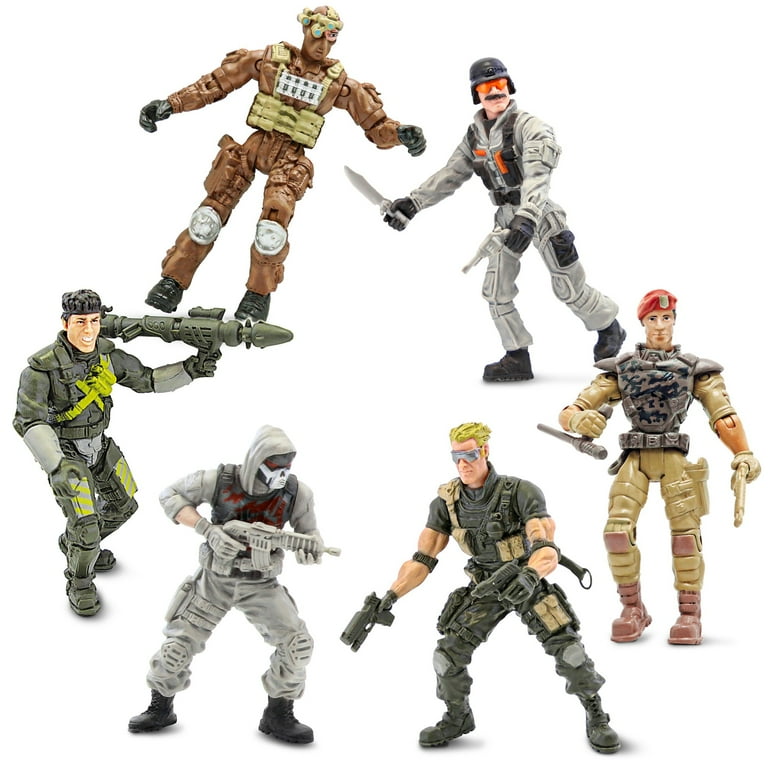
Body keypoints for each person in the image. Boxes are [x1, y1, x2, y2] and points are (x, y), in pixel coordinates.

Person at [344, 423, 621, 753]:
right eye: (456, 457)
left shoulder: (520, 491)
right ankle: (457, 716)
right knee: (446, 656)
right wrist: (391, 596)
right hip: (485, 587)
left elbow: (546, 547)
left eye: (470, 455)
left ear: (485, 452)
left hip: (525, 579)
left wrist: (530, 575)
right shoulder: (446, 503)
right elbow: (422, 558)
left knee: (569, 649)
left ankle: (596, 713)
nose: (463, 464)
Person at [140, 6, 425, 322]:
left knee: (272, 229)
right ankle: (172, 281)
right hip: (253, 147)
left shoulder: (338, 83)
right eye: (318, 33)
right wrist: (171, 104)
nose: (323, 44)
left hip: (290, 158)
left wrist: (401, 134)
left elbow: (376, 125)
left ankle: (257, 295)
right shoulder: (269, 61)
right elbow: (215, 84)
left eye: (331, 36)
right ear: (305, 28)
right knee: (208, 216)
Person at [383, 57, 624, 381]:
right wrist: (413, 203)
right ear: (477, 94)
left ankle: (609, 328)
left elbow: (538, 176)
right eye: (486, 88)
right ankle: (516, 355)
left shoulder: (531, 127)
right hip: (506, 219)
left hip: (539, 213)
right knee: (496, 289)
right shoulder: (475, 136)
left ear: (509, 86)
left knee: (569, 286)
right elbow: (451, 174)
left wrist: (528, 215)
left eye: (499, 85)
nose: (495, 92)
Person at [559, 289, 761, 644]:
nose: (660, 325)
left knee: (685, 538)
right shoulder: (621, 367)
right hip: (634, 457)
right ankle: (632, 608)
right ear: (643, 322)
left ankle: (689, 613)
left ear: (674, 321)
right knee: (616, 533)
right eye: (653, 318)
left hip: (673, 457)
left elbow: (722, 413)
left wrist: (742, 452)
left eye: (666, 318)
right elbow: (573, 408)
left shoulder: (694, 369)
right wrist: (578, 421)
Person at [13, 289, 216, 616]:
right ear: (66, 323)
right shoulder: (41, 368)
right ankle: (79, 580)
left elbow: (148, 380)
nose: (89, 329)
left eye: (94, 321)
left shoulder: (106, 356)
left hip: (99, 444)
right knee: (86, 524)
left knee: (123, 507)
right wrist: (56, 464)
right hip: (66, 452)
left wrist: (191, 368)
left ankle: (79, 546)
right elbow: (29, 421)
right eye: (81, 322)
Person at [128, 426, 327, 744]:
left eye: (287, 467)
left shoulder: (296, 493)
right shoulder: (219, 481)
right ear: (257, 461)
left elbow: (309, 534)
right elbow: (169, 495)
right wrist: (207, 529)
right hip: (214, 580)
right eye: (274, 467)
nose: (281, 475)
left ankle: (278, 714)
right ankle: (160, 708)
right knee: (177, 647)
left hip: (261, 583)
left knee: (297, 644)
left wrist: (310, 549)